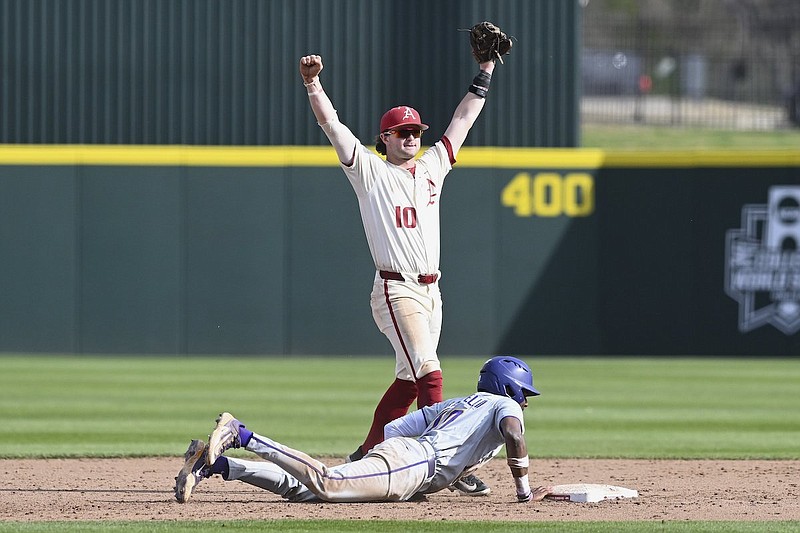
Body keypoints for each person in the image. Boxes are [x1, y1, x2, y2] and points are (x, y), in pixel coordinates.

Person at [296, 32, 500, 495]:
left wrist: (485, 71)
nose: (411, 137)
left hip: (431, 291)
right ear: (384, 138)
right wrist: (313, 85)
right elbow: (332, 125)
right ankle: (447, 463)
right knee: (430, 372)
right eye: (402, 132)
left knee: (410, 379)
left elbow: (464, 118)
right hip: (396, 288)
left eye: (415, 131)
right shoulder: (369, 172)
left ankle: (367, 454)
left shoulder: (432, 167)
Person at [174, 356, 552, 504]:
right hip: (417, 463)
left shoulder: (457, 404)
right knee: (328, 481)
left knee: (307, 493)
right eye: (524, 393)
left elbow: (395, 427)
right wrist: (524, 491)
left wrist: (399, 463)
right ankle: (243, 435)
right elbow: (515, 435)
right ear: (508, 387)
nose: (526, 401)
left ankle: (217, 467)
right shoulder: (501, 404)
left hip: (410, 461)